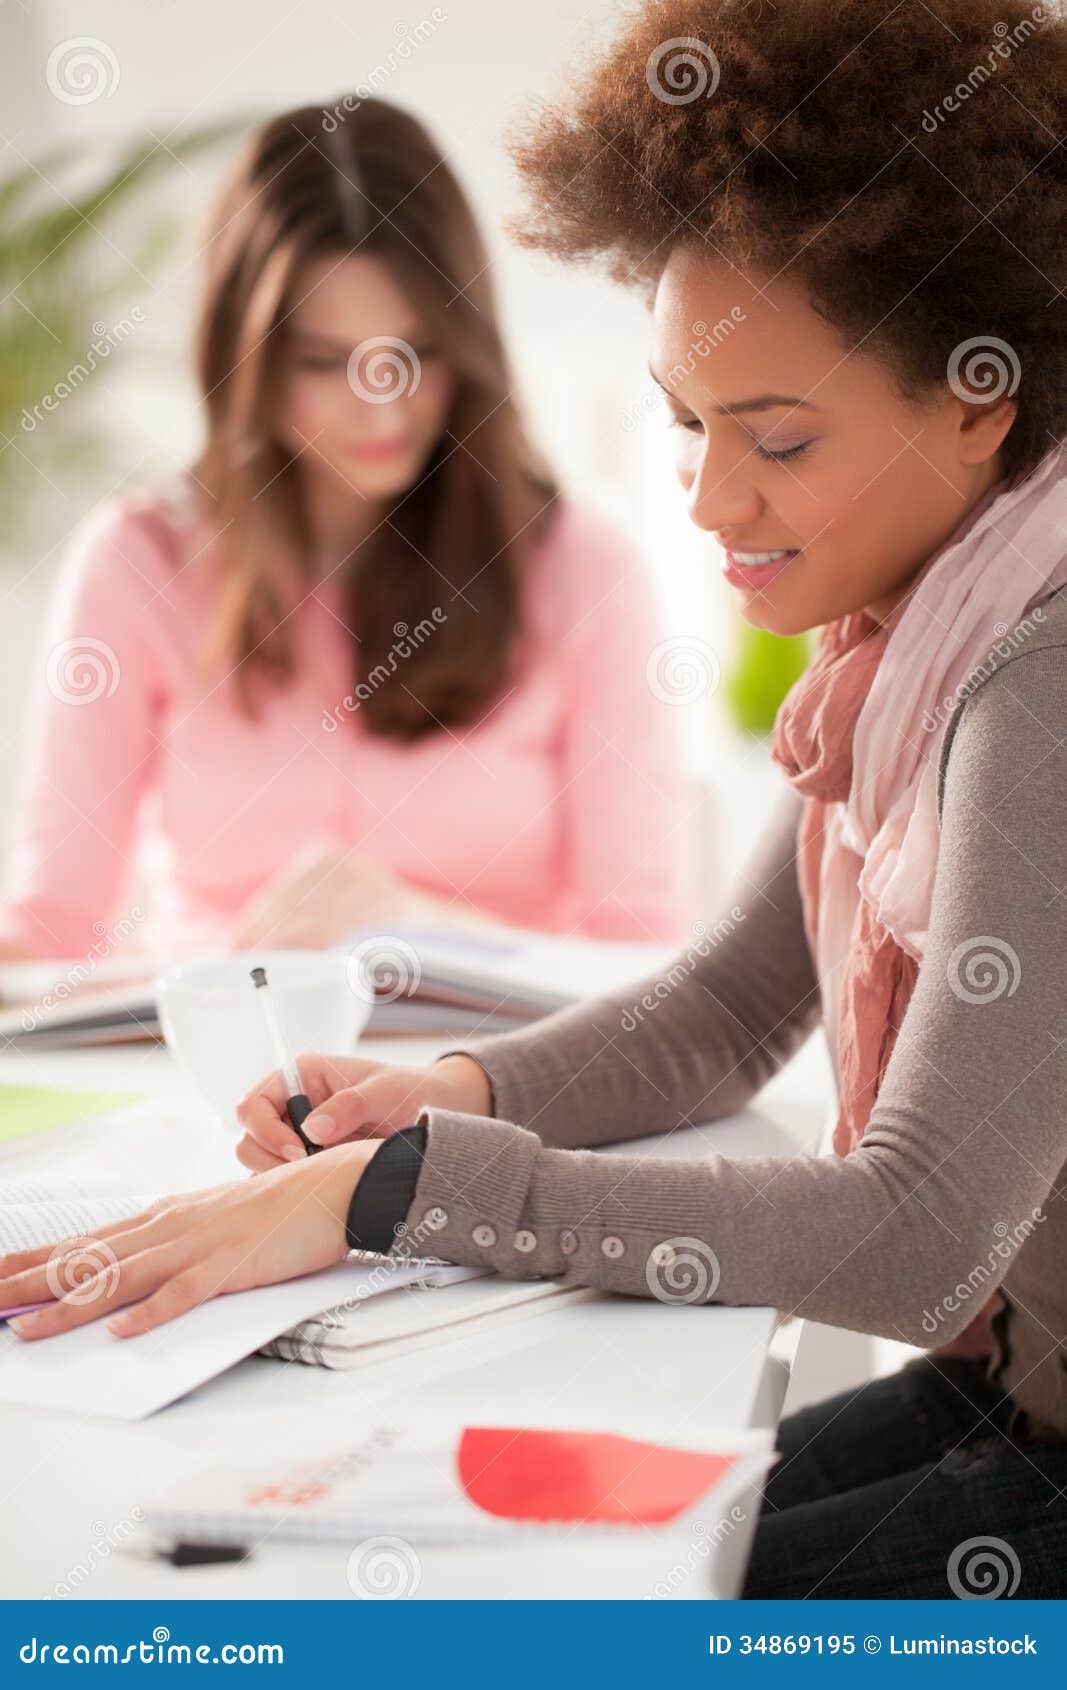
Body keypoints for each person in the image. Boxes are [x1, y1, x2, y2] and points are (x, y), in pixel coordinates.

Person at [6, 0, 1067, 1598]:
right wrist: (448, 1095)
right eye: (685, 423)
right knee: (583, 1588)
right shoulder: (909, 632)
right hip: (1017, 1395)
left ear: (977, 404)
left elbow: (917, 1232)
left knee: (581, 1628)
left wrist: (387, 1199)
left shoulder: (1029, 681)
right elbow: (724, 1004)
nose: (707, 497)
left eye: (773, 437)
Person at [0, 98, 692, 965]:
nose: (379, 405)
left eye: (415, 353)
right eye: (323, 361)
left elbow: (645, 969)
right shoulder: (136, 562)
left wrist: (414, 929)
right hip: (222, 1077)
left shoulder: (586, 569)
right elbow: (52, 932)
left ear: (466, 345)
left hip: (495, 1079)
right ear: (243, 360)